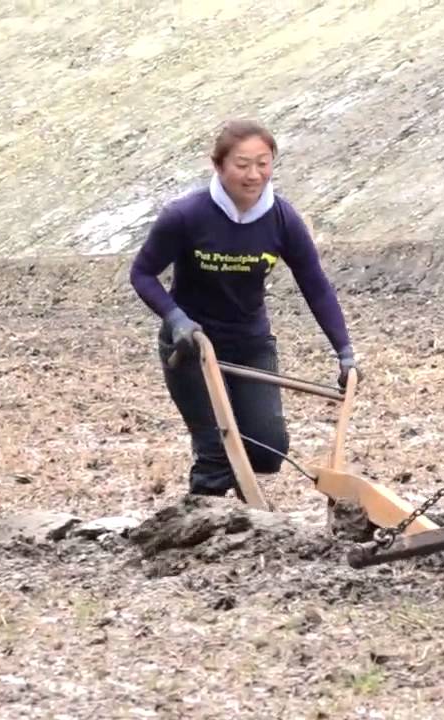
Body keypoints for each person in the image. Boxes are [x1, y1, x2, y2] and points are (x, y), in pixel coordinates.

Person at [130, 119, 360, 498]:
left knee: (267, 451)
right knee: (217, 453)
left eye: (263, 163)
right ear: (218, 166)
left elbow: (315, 284)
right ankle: (201, 534)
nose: (254, 175)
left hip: (249, 342)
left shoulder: (282, 220)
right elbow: (142, 274)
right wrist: (176, 319)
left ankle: (238, 518)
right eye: (242, 165)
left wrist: (345, 351)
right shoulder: (186, 216)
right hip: (191, 346)